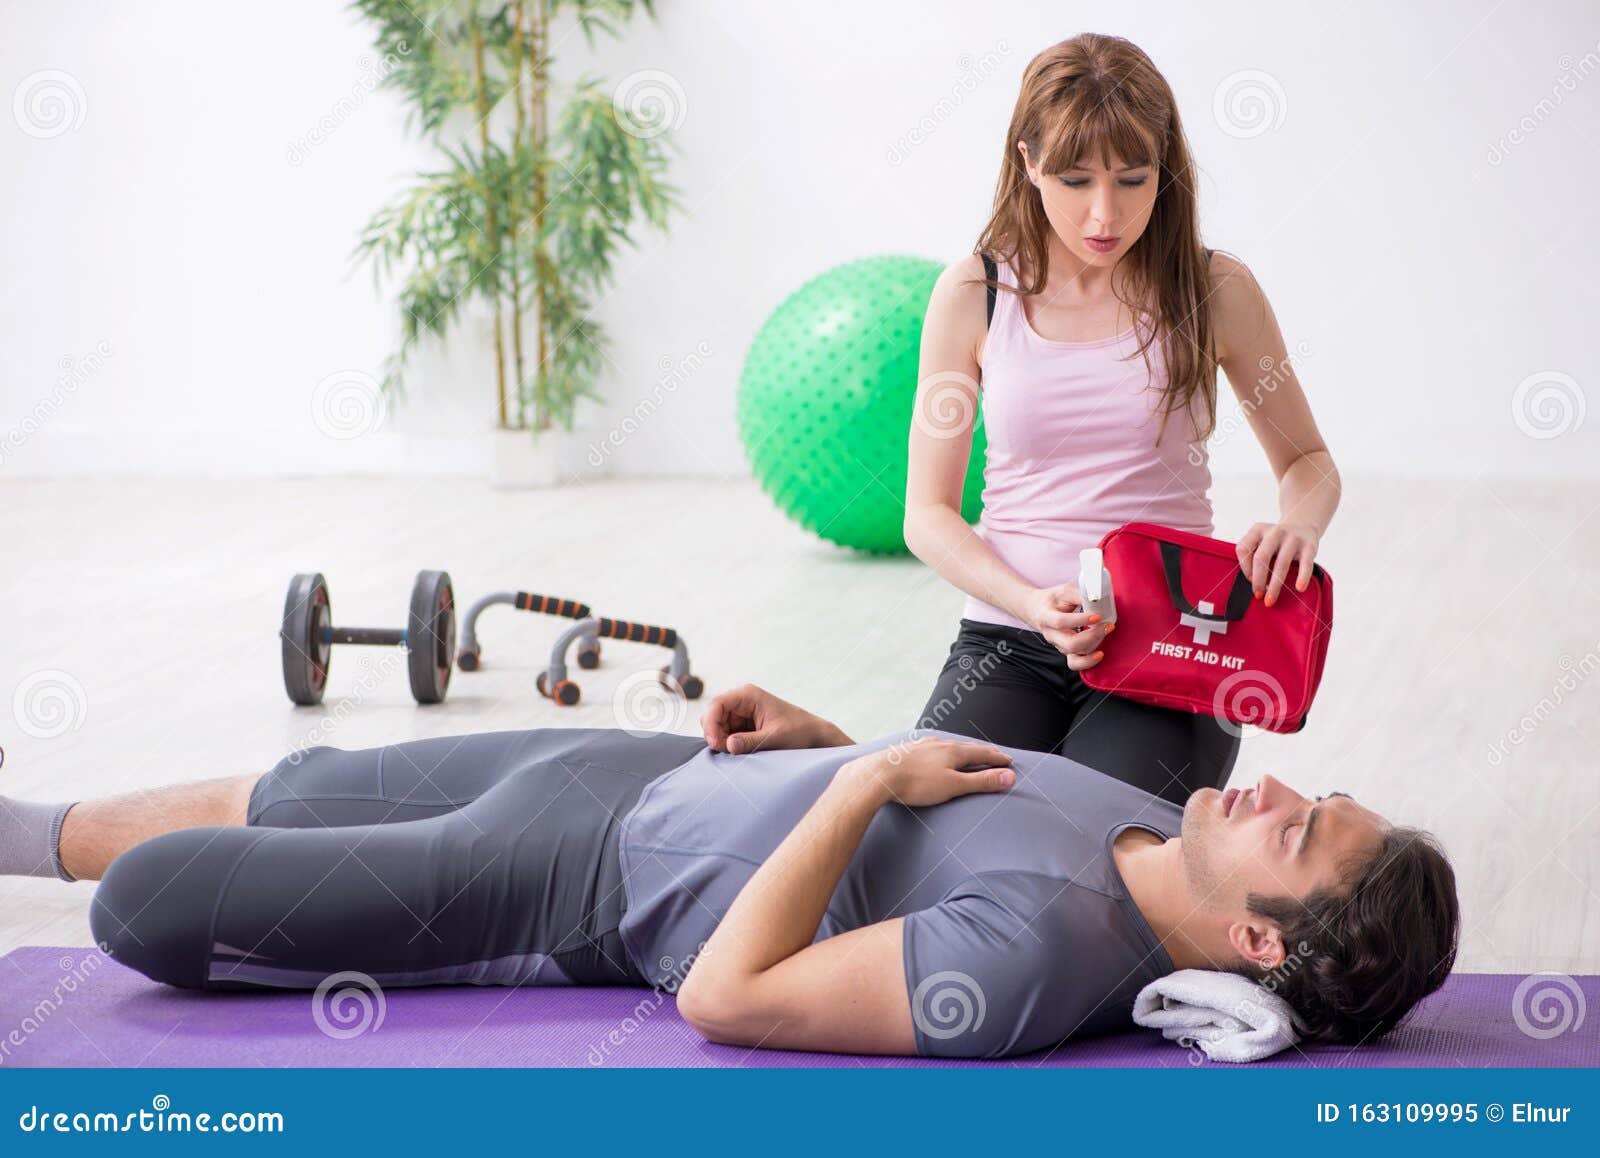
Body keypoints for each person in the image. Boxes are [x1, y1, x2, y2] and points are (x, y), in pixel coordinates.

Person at [2, 685, 1456, 1059]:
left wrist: (862, 779)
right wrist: (831, 741)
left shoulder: (1035, 961)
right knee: (301, 782)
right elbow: (896, 815)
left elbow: (728, 989)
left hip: (564, 884)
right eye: (1310, 794)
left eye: (1297, 828)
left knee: (152, 902)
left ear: (1263, 945)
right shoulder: (1140, 813)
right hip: (641, 765)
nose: (1272, 784)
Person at [905, 33, 1340, 804]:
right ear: (1029, 160)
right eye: (1074, 180)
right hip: (1009, 636)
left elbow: (1308, 463)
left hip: (1175, 637)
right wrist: (1034, 606)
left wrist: (1296, 526)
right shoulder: (974, 292)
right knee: (935, 834)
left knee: (1101, 848)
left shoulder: (1215, 289)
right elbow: (928, 515)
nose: (1105, 215)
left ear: (1164, 168)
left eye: (1133, 180)